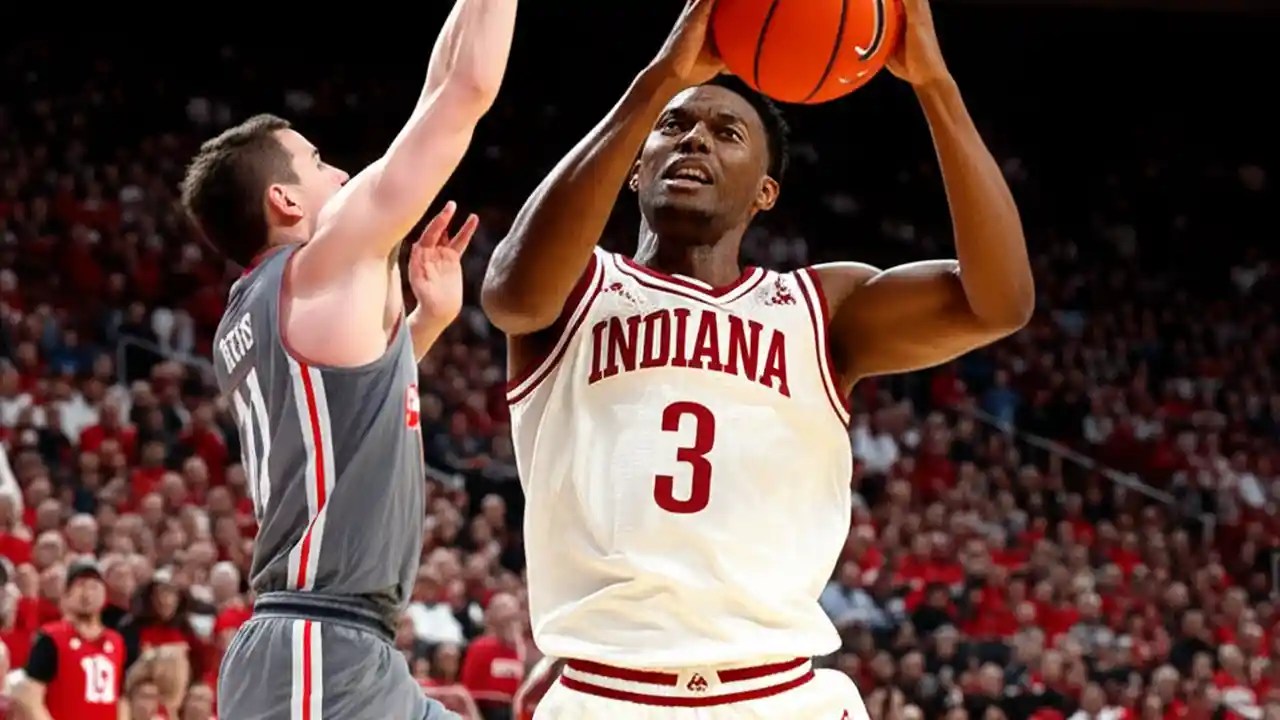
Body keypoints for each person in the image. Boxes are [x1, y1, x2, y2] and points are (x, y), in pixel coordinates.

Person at [481, 0, 1032, 716]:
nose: (693, 142)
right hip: (606, 694)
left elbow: (999, 302)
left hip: (777, 693)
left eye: (725, 131)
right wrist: (659, 78)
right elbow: (510, 294)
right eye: (673, 127)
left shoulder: (822, 308)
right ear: (633, 170)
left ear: (765, 192)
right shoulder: (577, 285)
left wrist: (936, 86)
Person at [177, 1, 518, 717]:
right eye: (320, 162)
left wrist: (428, 323)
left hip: (341, 648)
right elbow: (465, 92)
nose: (342, 174)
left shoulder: (254, 313)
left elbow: (349, 413)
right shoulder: (322, 264)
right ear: (283, 199)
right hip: (316, 649)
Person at [13, 560, 127, 720]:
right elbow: (31, 697)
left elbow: (120, 698)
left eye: (94, 586)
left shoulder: (117, 642)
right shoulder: (51, 638)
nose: (87, 593)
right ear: (66, 595)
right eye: (80, 586)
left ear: (104, 596)